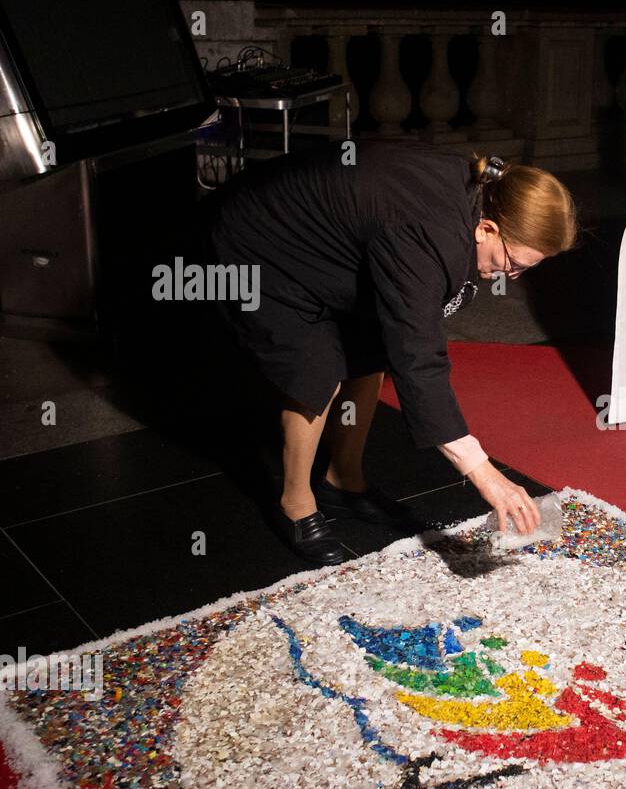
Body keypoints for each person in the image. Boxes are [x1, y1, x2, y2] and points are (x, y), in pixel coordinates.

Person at [199, 141, 577, 564]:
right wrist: (483, 472)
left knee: (373, 348)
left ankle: (342, 481)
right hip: (259, 241)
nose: (511, 275)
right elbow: (419, 357)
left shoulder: (476, 192)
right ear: (487, 228)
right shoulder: (427, 233)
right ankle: (295, 503)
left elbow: (402, 338)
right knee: (317, 366)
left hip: (325, 237)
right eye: (513, 263)